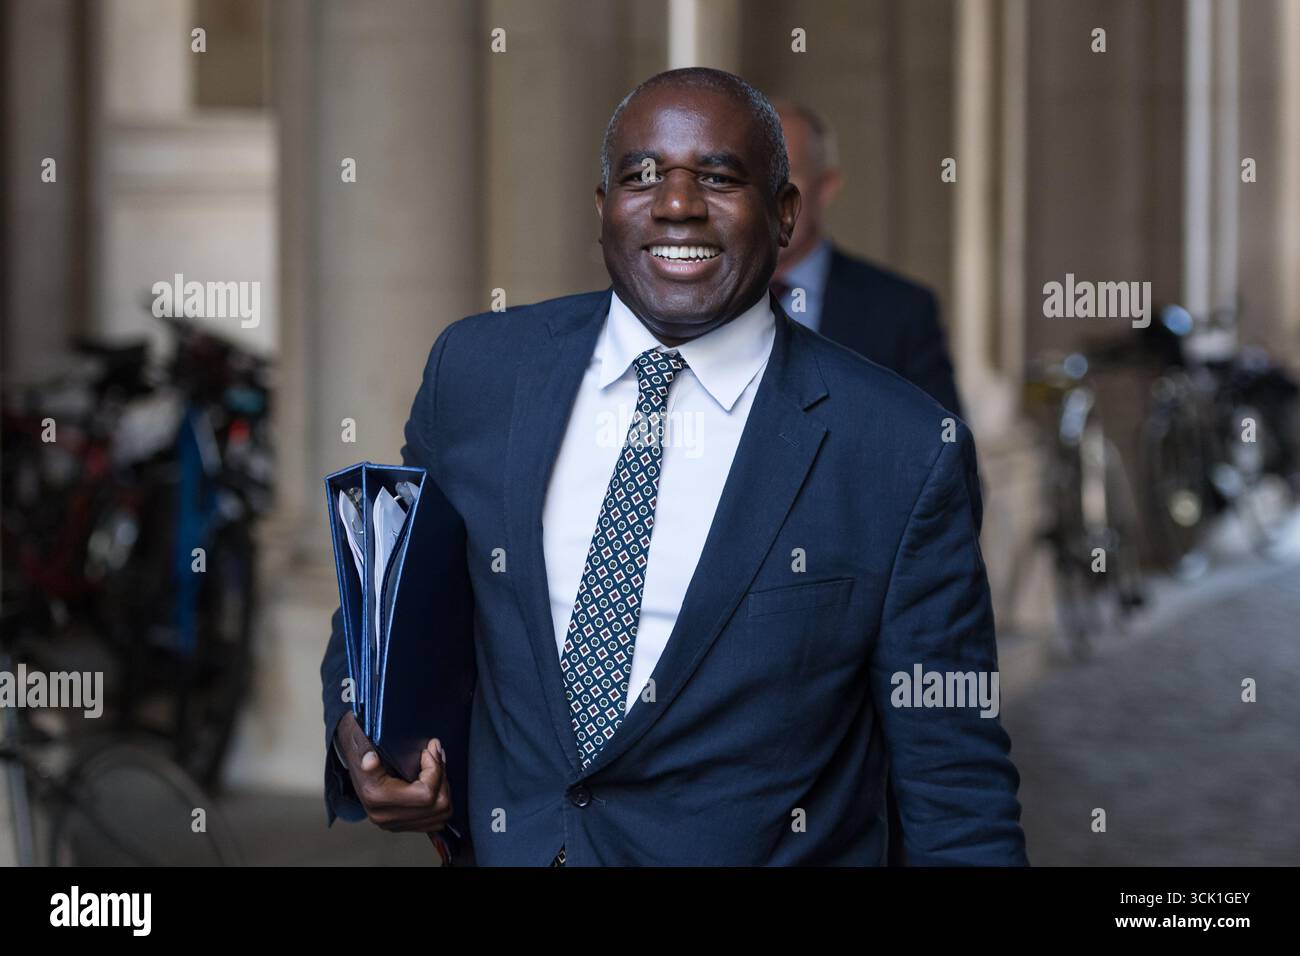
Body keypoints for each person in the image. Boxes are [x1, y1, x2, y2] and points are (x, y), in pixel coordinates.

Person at [321, 67, 1026, 866]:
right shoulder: (479, 374)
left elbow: (954, 781)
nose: (678, 203)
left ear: (786, 213)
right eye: (642, 175)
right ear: (603, 208)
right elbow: (386, 608)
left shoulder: (899, 451)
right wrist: (360, 731)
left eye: (719, 177)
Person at [770, 100, 964, 419]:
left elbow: (945, 457)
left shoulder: (902, 313)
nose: (768, 203)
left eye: (786, 183)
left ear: (826, 187)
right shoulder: (697, 301)